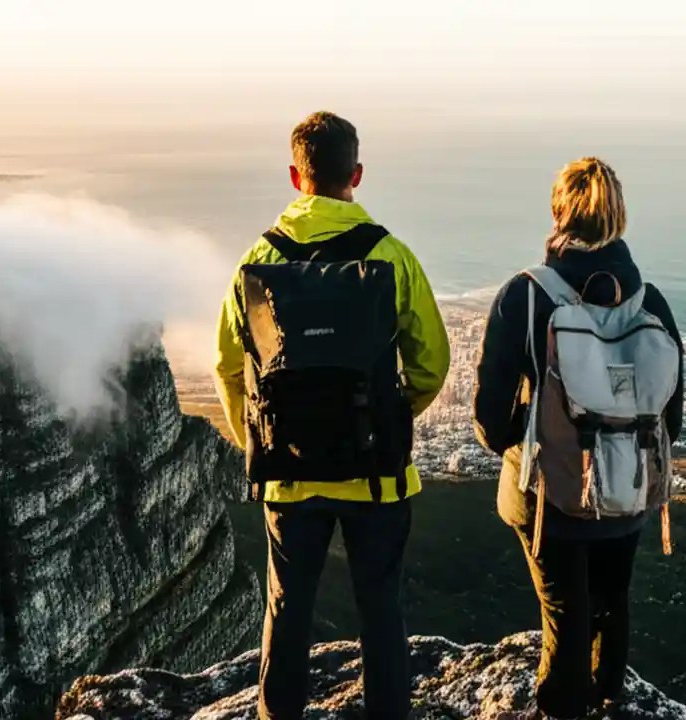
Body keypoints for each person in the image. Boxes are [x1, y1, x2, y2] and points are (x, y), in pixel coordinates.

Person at [214, 111, 450, 720]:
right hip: (376, 473)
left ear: (296, 177)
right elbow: (432, 363)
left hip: (289, 475)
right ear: (358, 174)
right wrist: (391, 416)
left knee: (287, 608)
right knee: (380, 608)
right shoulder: (390, 256)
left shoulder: (257, 260)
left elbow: (227, 365)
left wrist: (259, 439)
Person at [473, 157, 685, 719]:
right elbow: (672, 419)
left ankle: (562, 708)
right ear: (619, 216)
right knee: (611, 601)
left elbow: (491, 419)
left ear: (558, 211)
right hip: (628, 495)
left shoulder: (525, 297)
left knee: (564, 613)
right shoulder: (653, 304)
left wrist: (535, 443)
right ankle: (610, 699)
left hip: (552, 500)